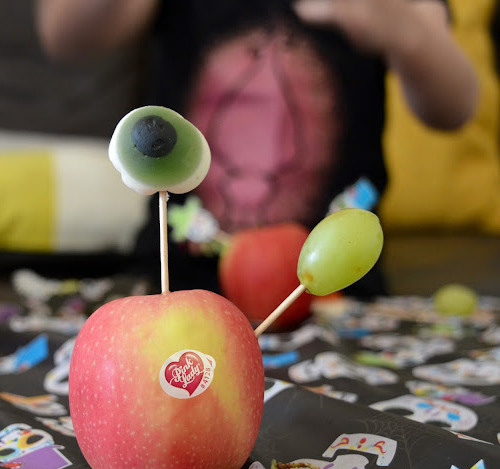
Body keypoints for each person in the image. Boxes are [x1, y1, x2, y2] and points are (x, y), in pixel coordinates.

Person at [36, 0, 478, 295]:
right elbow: (65, 36)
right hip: (175, 282)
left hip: (338, 289)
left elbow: (455, 107)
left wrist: (405, 30)